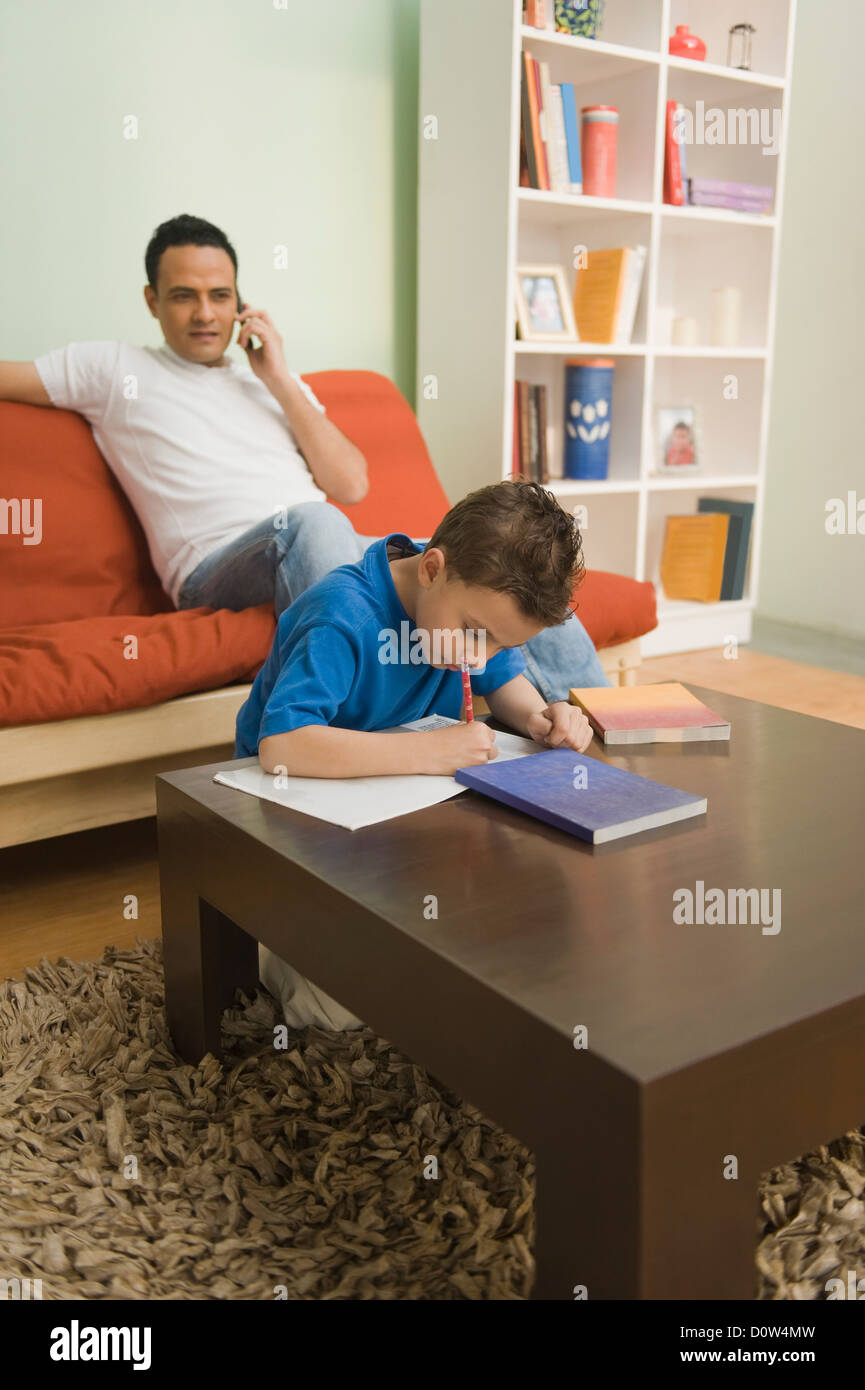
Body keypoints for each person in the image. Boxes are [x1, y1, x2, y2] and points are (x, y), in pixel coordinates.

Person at [0, 212, 611, 705]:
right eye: (184, 296)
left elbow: (349, 483)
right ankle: (354, 716)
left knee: (493, 562)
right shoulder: (114, 370)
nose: (205, 313)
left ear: (240, 301)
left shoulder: (268, 383)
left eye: (220, 295)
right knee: (310, 520)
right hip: (216, 567)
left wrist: (279, 378)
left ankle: (593, 725)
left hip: (319, 534)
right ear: (151, 299)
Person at [247, 479, 595, 1032]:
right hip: (295, 818)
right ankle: (278, 953)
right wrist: (429, 751)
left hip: (394, 819)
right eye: (476, 633)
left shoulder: (457, 605)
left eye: (500, 643)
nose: (479, 656)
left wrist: (536, 716)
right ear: (431, 568)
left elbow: (500, 678)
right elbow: (282, 747)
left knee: (491, 939)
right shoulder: (343, 615)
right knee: (340, 1009)